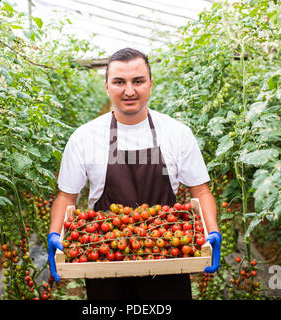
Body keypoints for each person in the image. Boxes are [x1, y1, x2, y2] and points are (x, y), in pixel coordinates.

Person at [47, 48, 221, 300]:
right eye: (119, 82)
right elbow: (66, 197)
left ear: (150, 84)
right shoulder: (84, 137)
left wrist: (211, 230)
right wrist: (55, 233)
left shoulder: (176, 133)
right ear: (107, 86)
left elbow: (201, 191)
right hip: (104, 257)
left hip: (168, 256)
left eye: (137, 81)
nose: (129, 90)